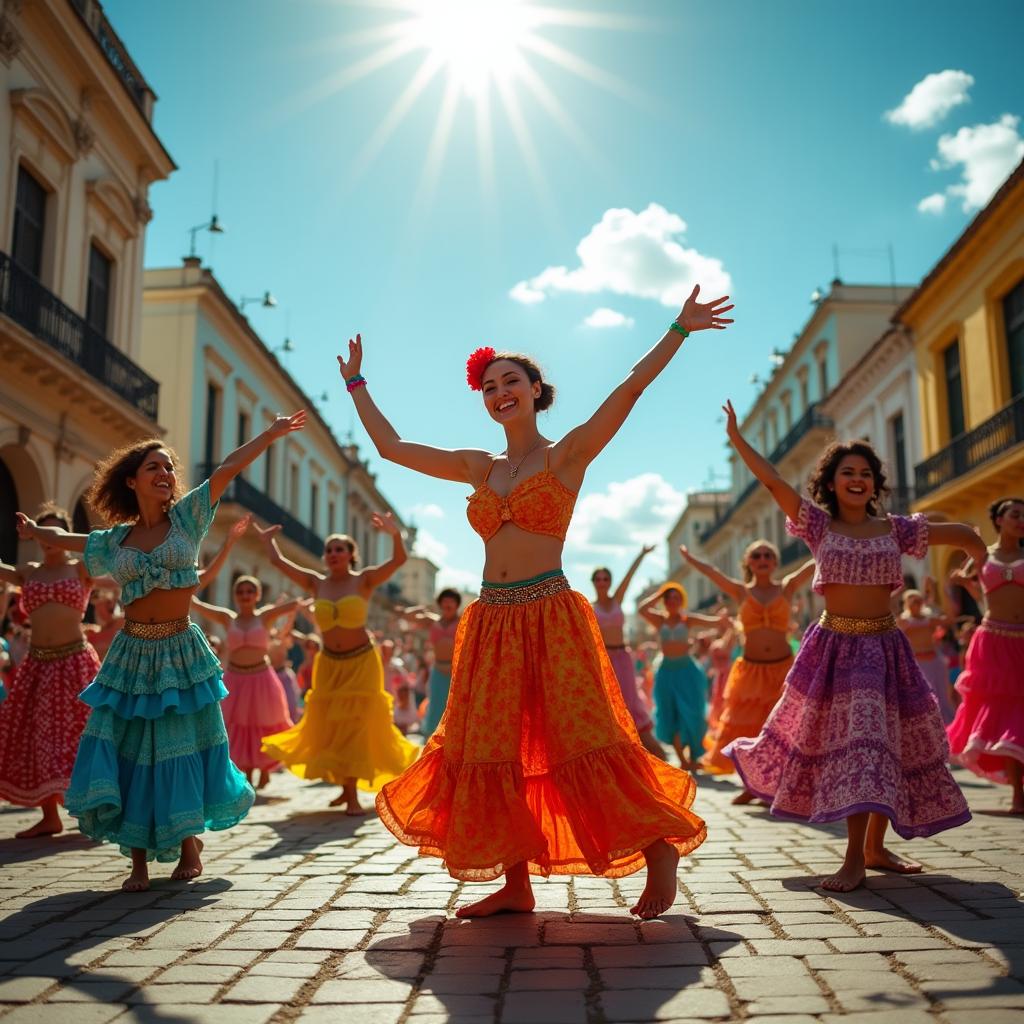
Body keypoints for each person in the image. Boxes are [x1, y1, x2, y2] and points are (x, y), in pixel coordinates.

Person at [341, 283, 733, 918]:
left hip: (550, 613)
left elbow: (629, 389)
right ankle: (515, 883)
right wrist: (359, 386)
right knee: (494, 748)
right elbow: (393, 449)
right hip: (491, 619)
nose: (500, 393)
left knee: (582, 737)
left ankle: (658, 848)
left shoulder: (568, 454)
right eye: (490, 387)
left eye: (510, 381)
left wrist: (679, 330)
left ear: (534, 389)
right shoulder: (478, 466)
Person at [16, 411, 306, 890]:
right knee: (130, 749)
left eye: (169, 467)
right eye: (154, 467)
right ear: (131, 480)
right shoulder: (116, 540)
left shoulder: (189, 517)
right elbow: (74, 541)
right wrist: (38, 533)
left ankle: (188, 845)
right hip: (131, 654)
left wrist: (270, 434)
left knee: (180, 747)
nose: (165, 473)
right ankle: (137, 862)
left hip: (179, 651)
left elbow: (227, 469)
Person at [720, 404, 983, 892]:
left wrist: (983, 572)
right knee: (858, 748)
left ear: (875, 483)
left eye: (865, 473)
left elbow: (966, 536)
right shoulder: (818, 527)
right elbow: (773, 481)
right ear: (832, 483)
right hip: (834, 649)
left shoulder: (897, 529)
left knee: (881, 748)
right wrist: (737, 439)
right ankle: (854, 857)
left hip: (885, 649)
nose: (857, 479)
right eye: (847, 473)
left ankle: (873, 850)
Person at [257, 516, 418, 814]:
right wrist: (268, 541)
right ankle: (345, 787)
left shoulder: (364, 580)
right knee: (334, 726)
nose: (333, 554)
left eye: (340, 549)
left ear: (351, 555)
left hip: (361, 662)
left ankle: (352, 793)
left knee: (356, 724)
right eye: (329, 549)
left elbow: (398, 559)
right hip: (329, 664)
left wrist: (395, 533)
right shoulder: (316, 583)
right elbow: (279, 562)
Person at [678, 542, 814, 798]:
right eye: (756, 555)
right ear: (748, 563)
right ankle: (753, 786)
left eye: (768, 555)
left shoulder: (787, 587)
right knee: (748, 729)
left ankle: (775, 785)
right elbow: (712, 572)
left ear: (775, 562)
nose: (763, 558)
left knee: (783, 728)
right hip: (751, 671)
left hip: (783, 669)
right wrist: (691, 559)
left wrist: (835, 531)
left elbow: (814, 561)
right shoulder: (740, 591)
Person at [0, 504, 99, 838]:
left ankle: (99, 810)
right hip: (39, 665)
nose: (48, 540)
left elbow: (115, 559)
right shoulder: (28, 571)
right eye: (42, 533)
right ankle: (49, 816)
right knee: (38, 737)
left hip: (76, 664)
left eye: (55, 532)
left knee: (86, 736)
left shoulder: (82, 567)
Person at [191, 577, 309, 789]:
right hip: (235, 679)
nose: (245, 596)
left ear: (258, 595)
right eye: (241, 592)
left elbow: (294, 604)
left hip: (261, 678)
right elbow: (196, 604)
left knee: (263, 722)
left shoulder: (265, 617)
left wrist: (307, 596)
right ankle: (245, 769)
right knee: (235, 725)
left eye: (250, 591)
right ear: (235, 596)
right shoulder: (228, 618)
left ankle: (264, 768)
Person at [946, 497, 1024, 811]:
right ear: (999, 520)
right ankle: (1018, 794)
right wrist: (963, 582)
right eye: (1015, 514)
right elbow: (964, 567)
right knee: (1002, 710)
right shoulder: (982, 555)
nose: (1021, 520)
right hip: (992, 641)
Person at [637, 583, 728, 770]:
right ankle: (683, 760)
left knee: (693, 714)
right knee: (671, 715)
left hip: (688, 672)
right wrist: (659, 593)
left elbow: (713, 622)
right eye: (668, 597)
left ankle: (694, 756)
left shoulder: (688, 620)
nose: (672, 601)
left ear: (681, 601)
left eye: (676, 597)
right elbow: (642, 609)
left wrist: (722, 617)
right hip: (666, 674)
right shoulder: (659, 620)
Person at [591, 547, 665, 758]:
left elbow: (629, 576)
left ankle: (651, 751)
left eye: (606, 578)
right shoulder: (589, 606)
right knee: (608, 704)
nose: (602, 582)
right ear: (593, 582)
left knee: (630, 701)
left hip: (623, 657)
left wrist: (641, 555)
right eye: (598, 579)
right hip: (604, 660)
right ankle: (621, 751)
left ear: (610, 582)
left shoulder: (617, 600)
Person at [402, 589, 463, 740]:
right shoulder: (432, 621)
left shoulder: (463, 621)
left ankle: (452, 744)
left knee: (454, 709)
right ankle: (432, 743)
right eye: (445, 600)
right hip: (437, 670)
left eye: (451, 601)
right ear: (440, 603)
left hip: (456, 672)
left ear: (457, 604)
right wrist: (420, 608)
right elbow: (407, 615)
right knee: (435, 706)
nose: (448, 603)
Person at [897, 584, 955, 725]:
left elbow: (949, 620)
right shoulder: (904, 622)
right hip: (918, 665)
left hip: (935, 662)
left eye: (918, 600)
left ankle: (946, 724)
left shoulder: (929, 619)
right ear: (906, 604)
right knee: (925, 696)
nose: (915, 604)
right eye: (911, 601)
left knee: (942, 696)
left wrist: (944, 594)